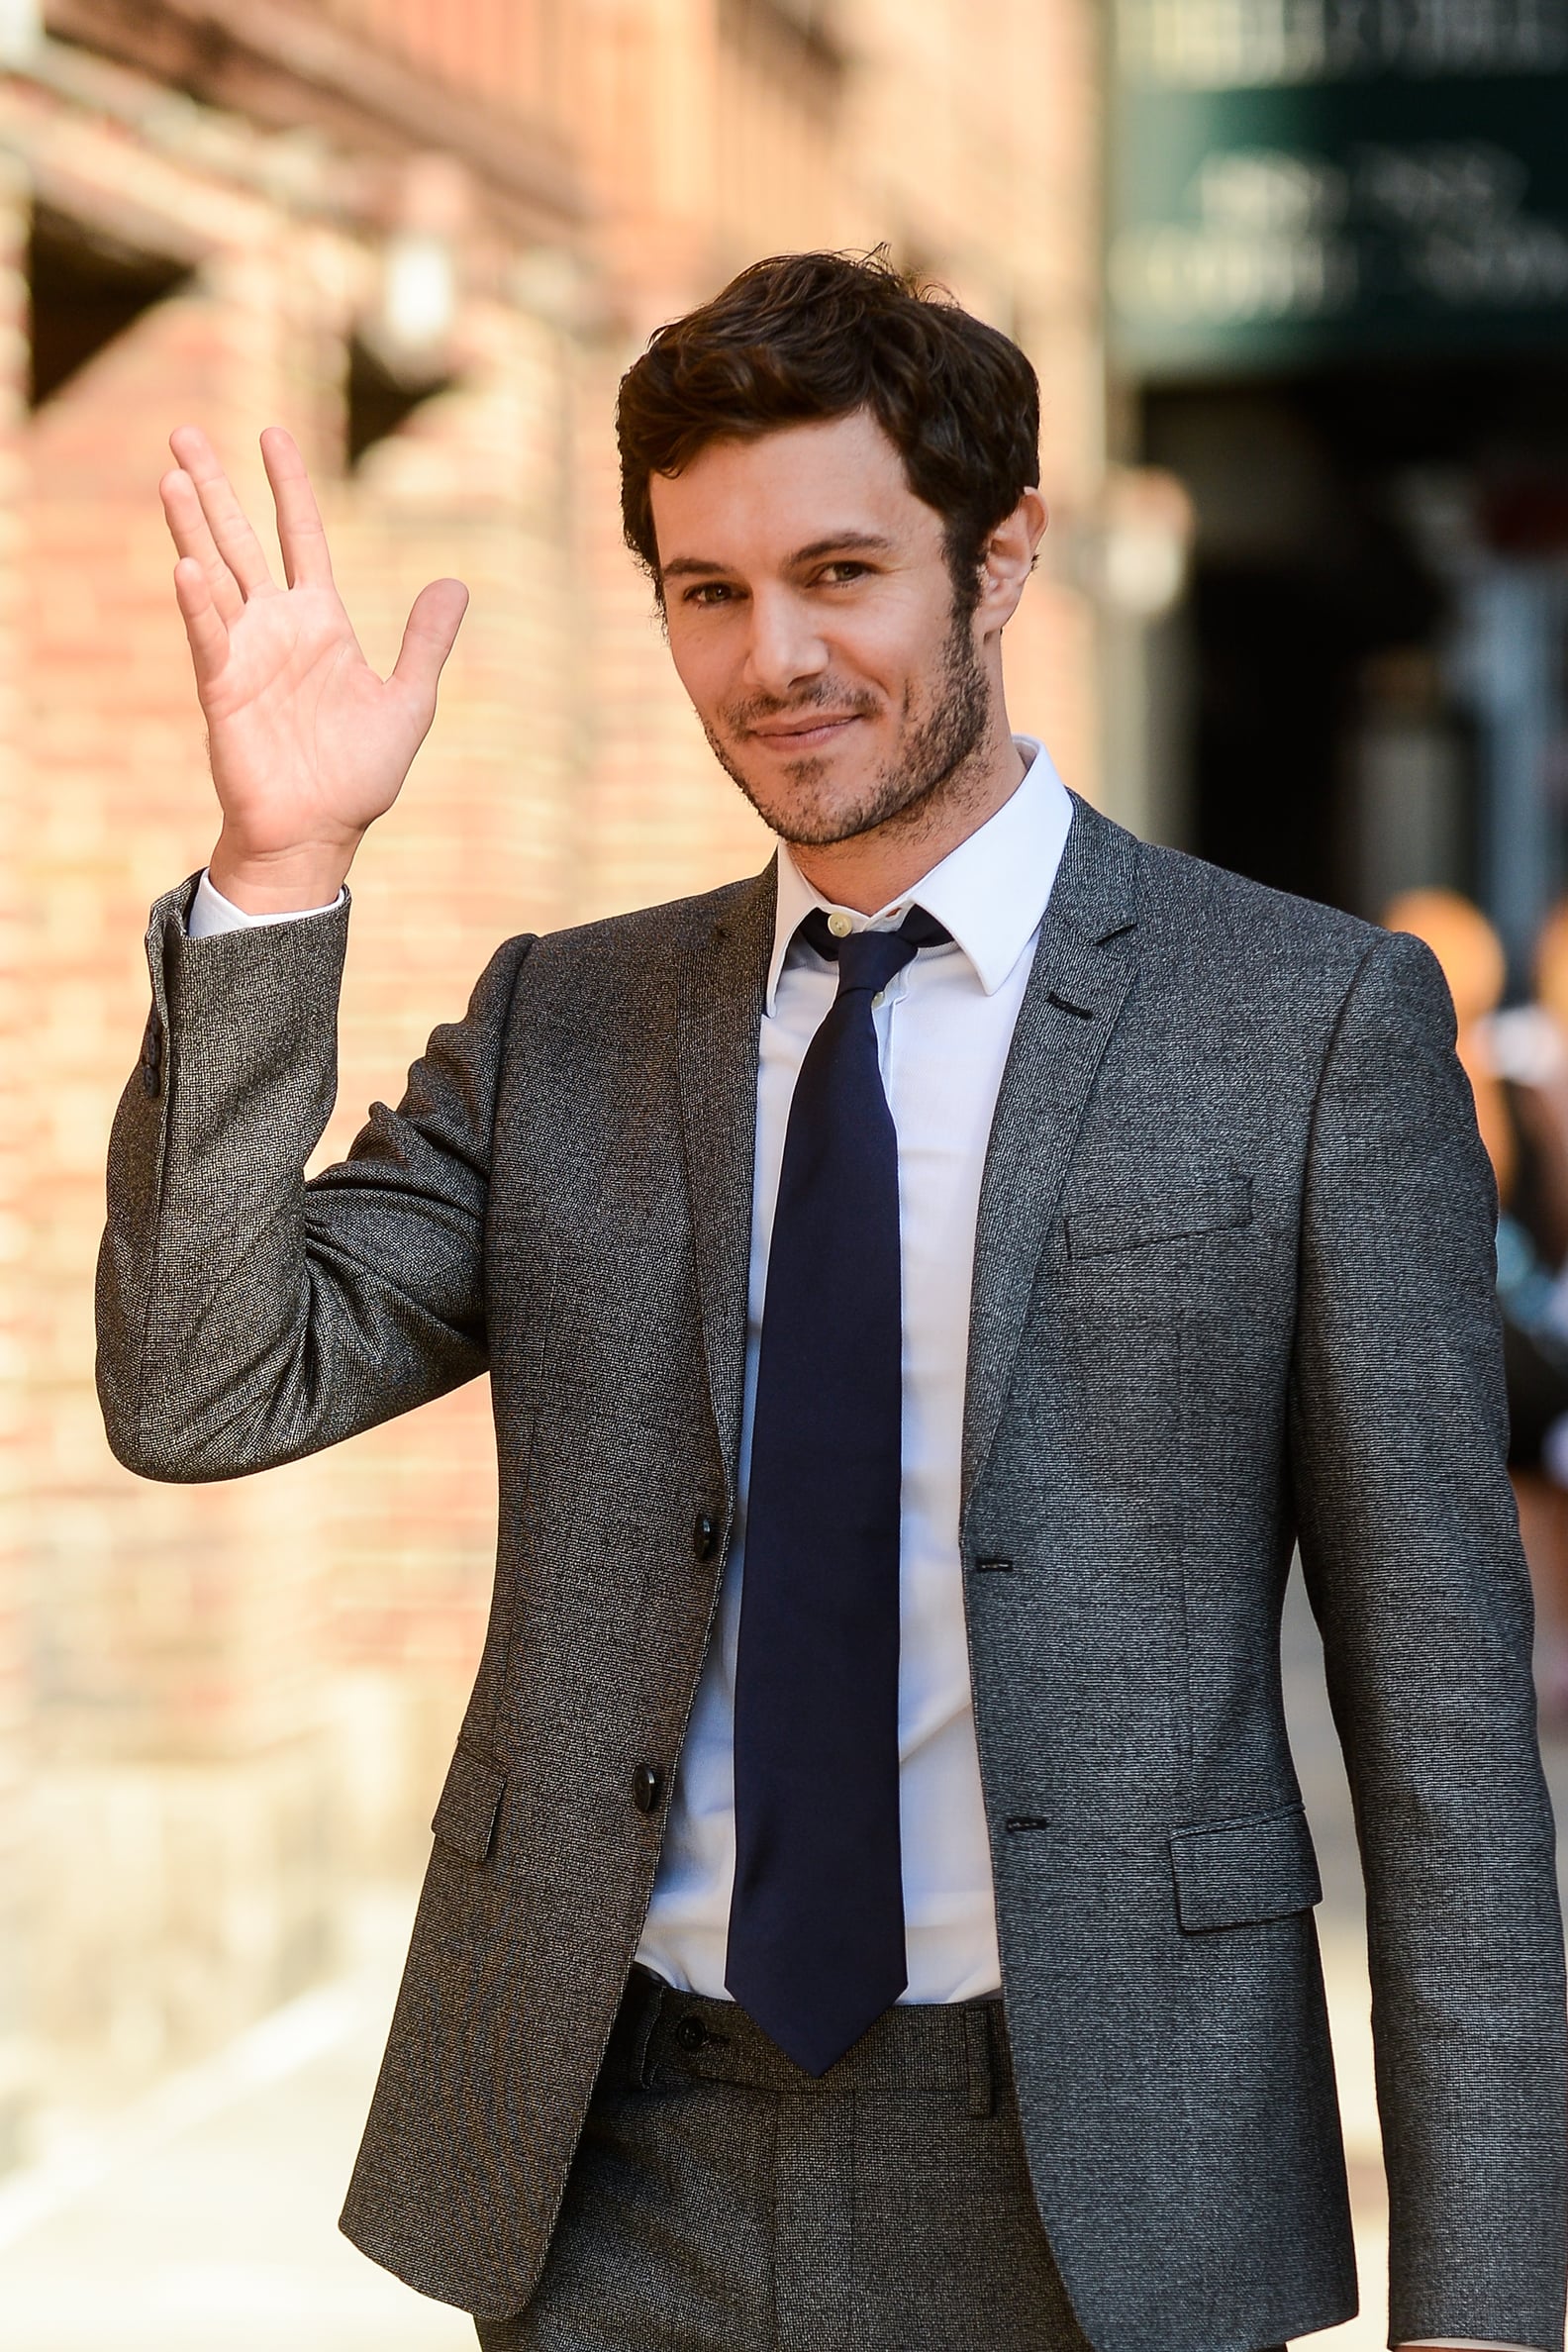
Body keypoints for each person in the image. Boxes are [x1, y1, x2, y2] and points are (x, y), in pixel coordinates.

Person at [96, 251, 1565, 2352]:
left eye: (842, 571)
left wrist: (1488, 2308)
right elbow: (203, 1381)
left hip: (1093, 2172)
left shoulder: (1305, 1025)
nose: (771, 656)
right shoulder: (566, 1022)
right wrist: (276, 873)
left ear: (1004, 558)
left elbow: (1443, 1726)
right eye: (708, 590)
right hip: (611, 2162)